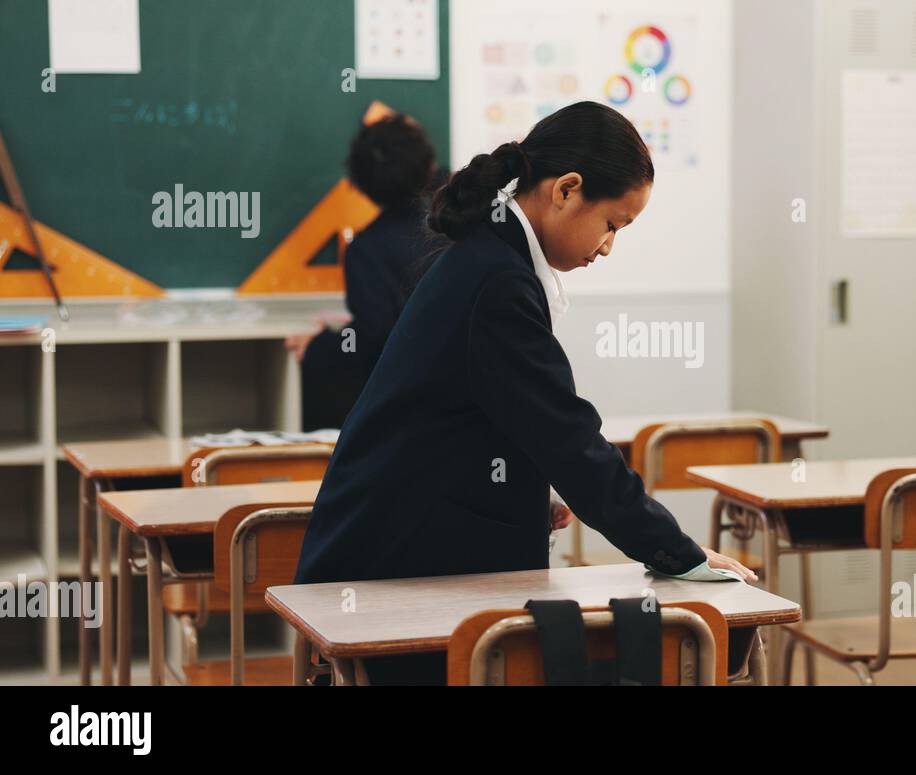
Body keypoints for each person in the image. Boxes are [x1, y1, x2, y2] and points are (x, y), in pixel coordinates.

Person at [293, 102, 756, 684]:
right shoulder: (498, 279)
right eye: (613, 224)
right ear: (567, 190)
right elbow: (569, 437)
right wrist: (679, 555)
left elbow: (480, 416)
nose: (609, 246)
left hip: (407, 553)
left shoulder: (492, 255)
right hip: (390, 569)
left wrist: (519, 485)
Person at [287, 114, 450, 431]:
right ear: (428, 165)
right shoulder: (452, 229)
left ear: (362, 184)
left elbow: (372, 338)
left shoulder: (367, 249)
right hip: (462, 398)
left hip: (407, 410)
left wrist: (318, 345)